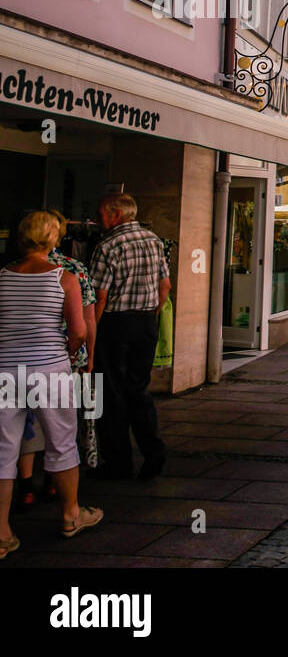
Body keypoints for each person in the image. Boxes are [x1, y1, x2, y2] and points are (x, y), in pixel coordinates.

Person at [0, 211, 103, 559]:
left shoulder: (2, 276)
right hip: (50, 369)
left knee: (3, 450)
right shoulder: (65, 277)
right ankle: (71, 515)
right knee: (61, 442)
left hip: (7, 370)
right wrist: (66, 352)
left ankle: (2, 533)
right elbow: (79, 330)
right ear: (53, 239)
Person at [16, 212, 99, 510]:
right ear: (56, 237)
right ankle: (65, 504)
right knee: (61, 434)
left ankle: (23, 488)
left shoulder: (6, 273)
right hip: (56, 361)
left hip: (11, 365)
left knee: (18, 431)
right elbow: (85, 322)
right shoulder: (70, 271)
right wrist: (84, 353)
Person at [87, 193, 170, 481]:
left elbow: (99, 296)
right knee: (139, 389)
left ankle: (119, 462)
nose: (97, 220)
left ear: (116, 215)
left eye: (100, 214)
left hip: (114, 323)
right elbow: (165, 285)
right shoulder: (153, 239)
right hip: (145, 322)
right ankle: (153, 452)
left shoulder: (107, 245)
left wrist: (91, 334)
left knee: (110, 392)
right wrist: (151, 313)